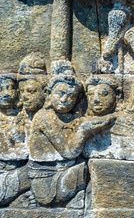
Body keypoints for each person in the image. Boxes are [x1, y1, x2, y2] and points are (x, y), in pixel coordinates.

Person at [27, 61, 115, 206]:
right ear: (49, 94)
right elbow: (69, 152)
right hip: (48, 181)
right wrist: (84, 130)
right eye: (60, 93)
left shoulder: (70, 117)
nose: (64, 100)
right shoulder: (45, 117)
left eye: (71, 96)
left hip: (64, 172)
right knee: (97, 171)